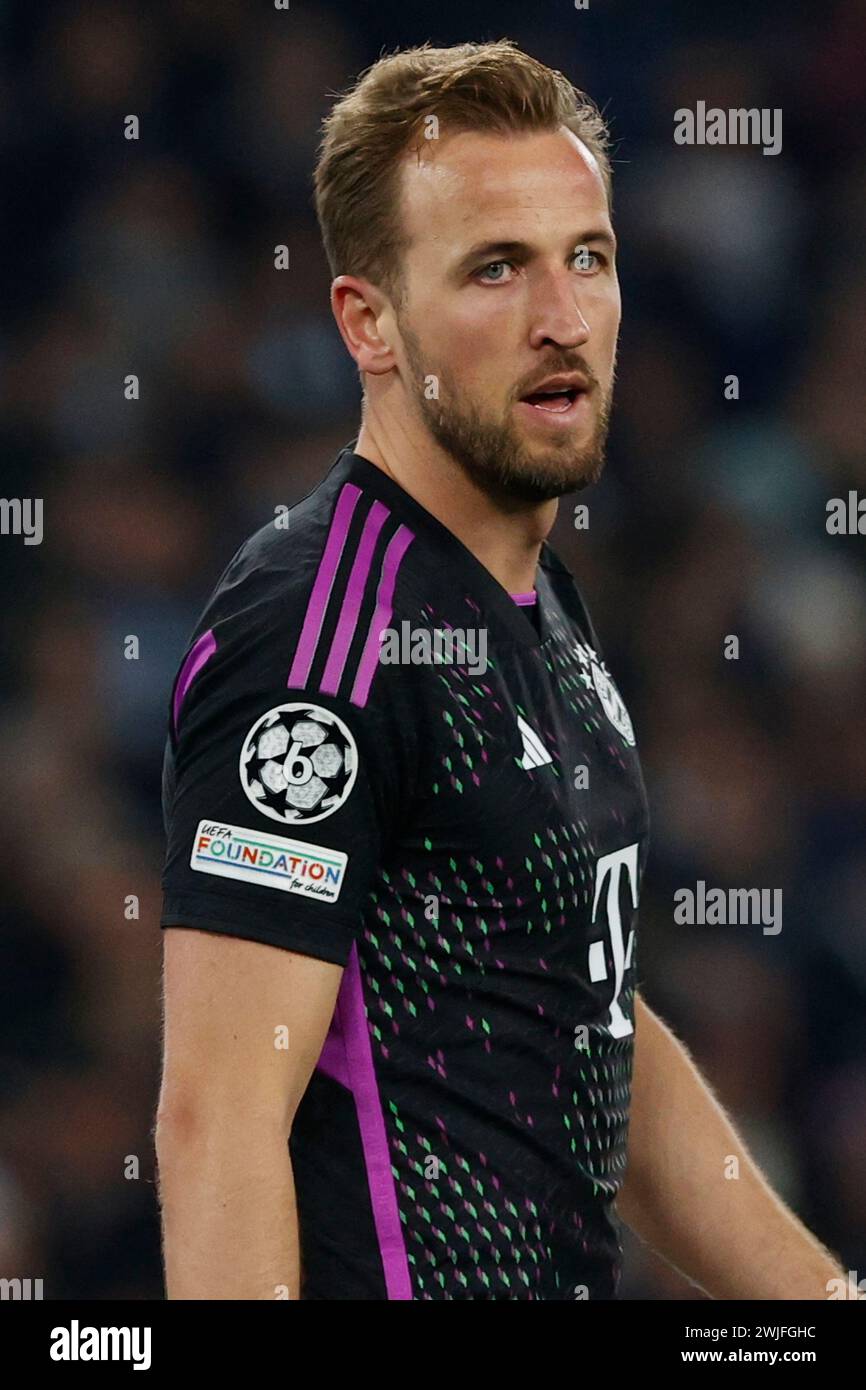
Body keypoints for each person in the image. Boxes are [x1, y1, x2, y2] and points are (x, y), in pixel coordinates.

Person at [156, 39, 845, 1300]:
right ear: (368, 322)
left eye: (586, 256)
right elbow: (216, 1121)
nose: (561, 318)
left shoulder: (537, 608)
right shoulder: (319, 633)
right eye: (495, 268)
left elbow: (589, 1032)